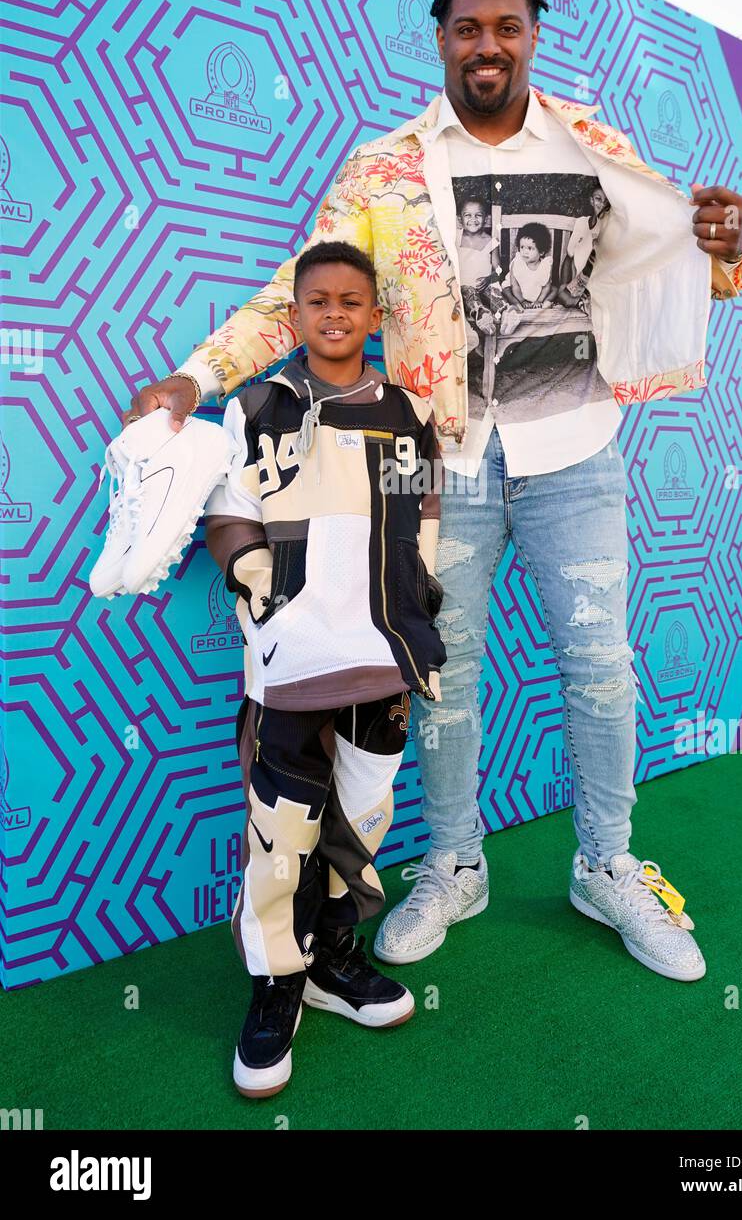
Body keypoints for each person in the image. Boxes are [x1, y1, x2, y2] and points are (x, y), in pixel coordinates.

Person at [125, 0, 742, 986]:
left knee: (601, 671)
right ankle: (456, 863)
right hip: (440, 466)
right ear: (440, 39)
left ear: (532, 35)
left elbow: (676, 259)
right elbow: (298, 293)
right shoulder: (386, 168)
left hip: (577, 452)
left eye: (505, 26)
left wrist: (725, 248)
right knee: (442, 676)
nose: (487, 45)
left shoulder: (591, 145)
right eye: (467, 28)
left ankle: (605, 864)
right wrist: (195, 378)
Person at [203, 241, 446, 1097]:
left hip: (380, 661)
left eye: (353, 300)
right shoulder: (258, 404)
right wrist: (253, 574)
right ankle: (276, 983)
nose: (335, 312)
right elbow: (228, 510)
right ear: (296, 313)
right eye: (318, 300)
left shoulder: (407, 412)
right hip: (293, 662)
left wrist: (421, 600)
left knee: (364, 815)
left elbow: (422, 514)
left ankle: (332, 960)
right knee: (281, 832)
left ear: (374, 317)